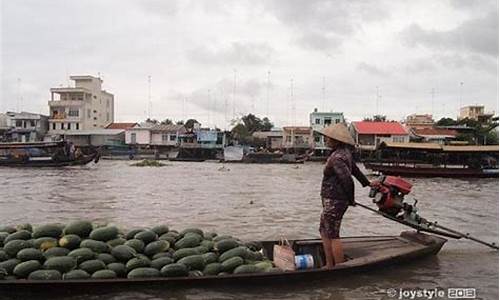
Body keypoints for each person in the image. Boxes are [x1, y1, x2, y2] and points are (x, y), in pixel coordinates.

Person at [318, 123, 373, 269]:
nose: (326, 140)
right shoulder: (344, 153)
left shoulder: (337, 157)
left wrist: (351, 199)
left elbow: (347, 179)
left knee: (332, 234)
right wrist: (368, 183)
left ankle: (338, 268)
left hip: (335, 200)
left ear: (336, 140)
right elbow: (356, 171)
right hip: (333, 199)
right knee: (324, 230)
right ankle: (329, 264)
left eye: (329, 138)